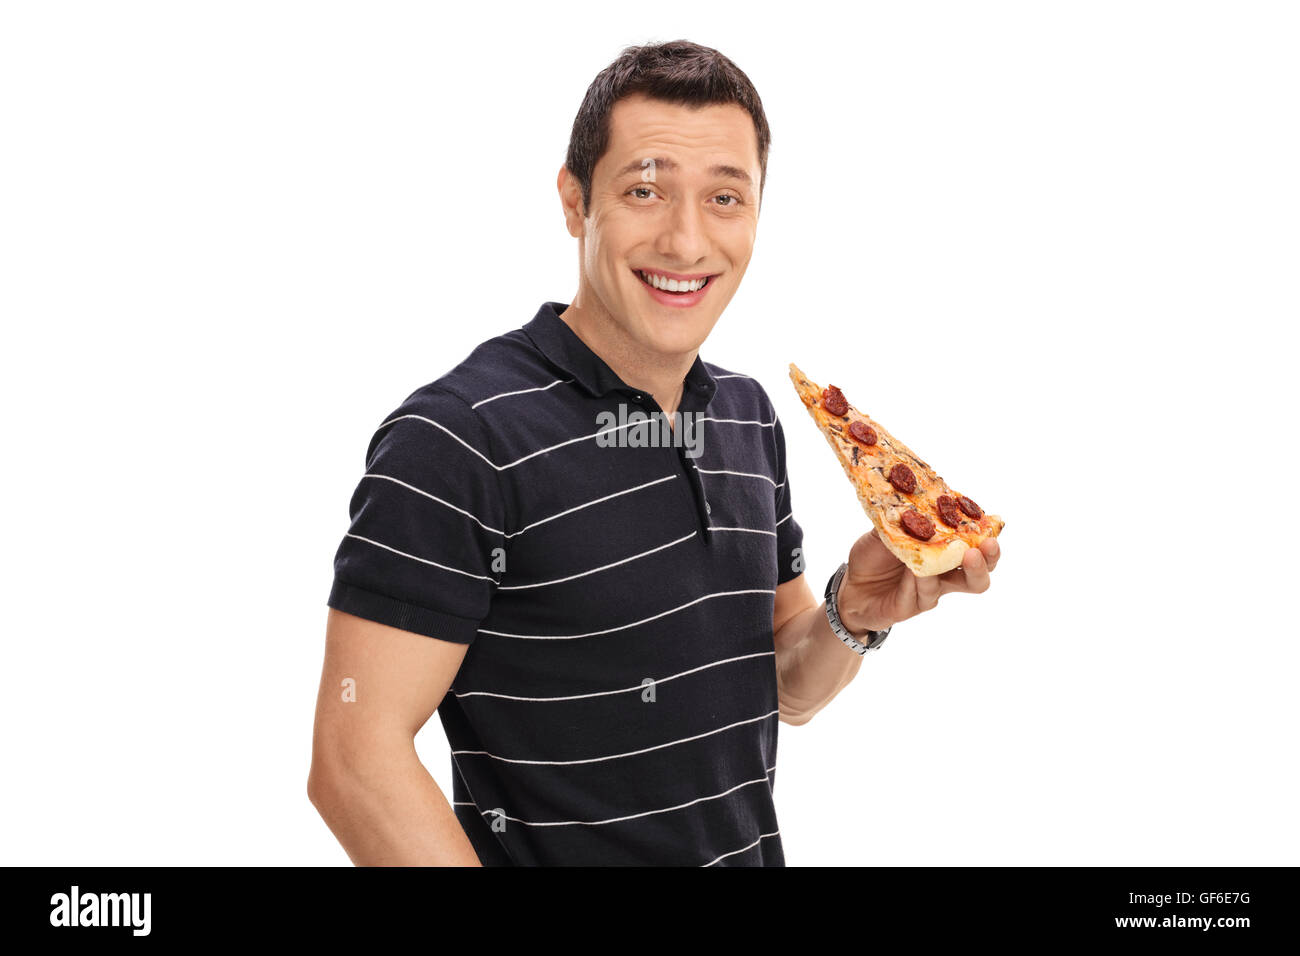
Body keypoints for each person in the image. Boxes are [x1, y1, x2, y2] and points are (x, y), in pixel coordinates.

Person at [307, 39, 1000, 866]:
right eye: (644, 190)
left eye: (725, 199)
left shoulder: (747, 416)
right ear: (574, 201)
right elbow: (355, 762)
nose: (685, 240)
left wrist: (853, 614)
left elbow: (783, 687)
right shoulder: (460, 438)